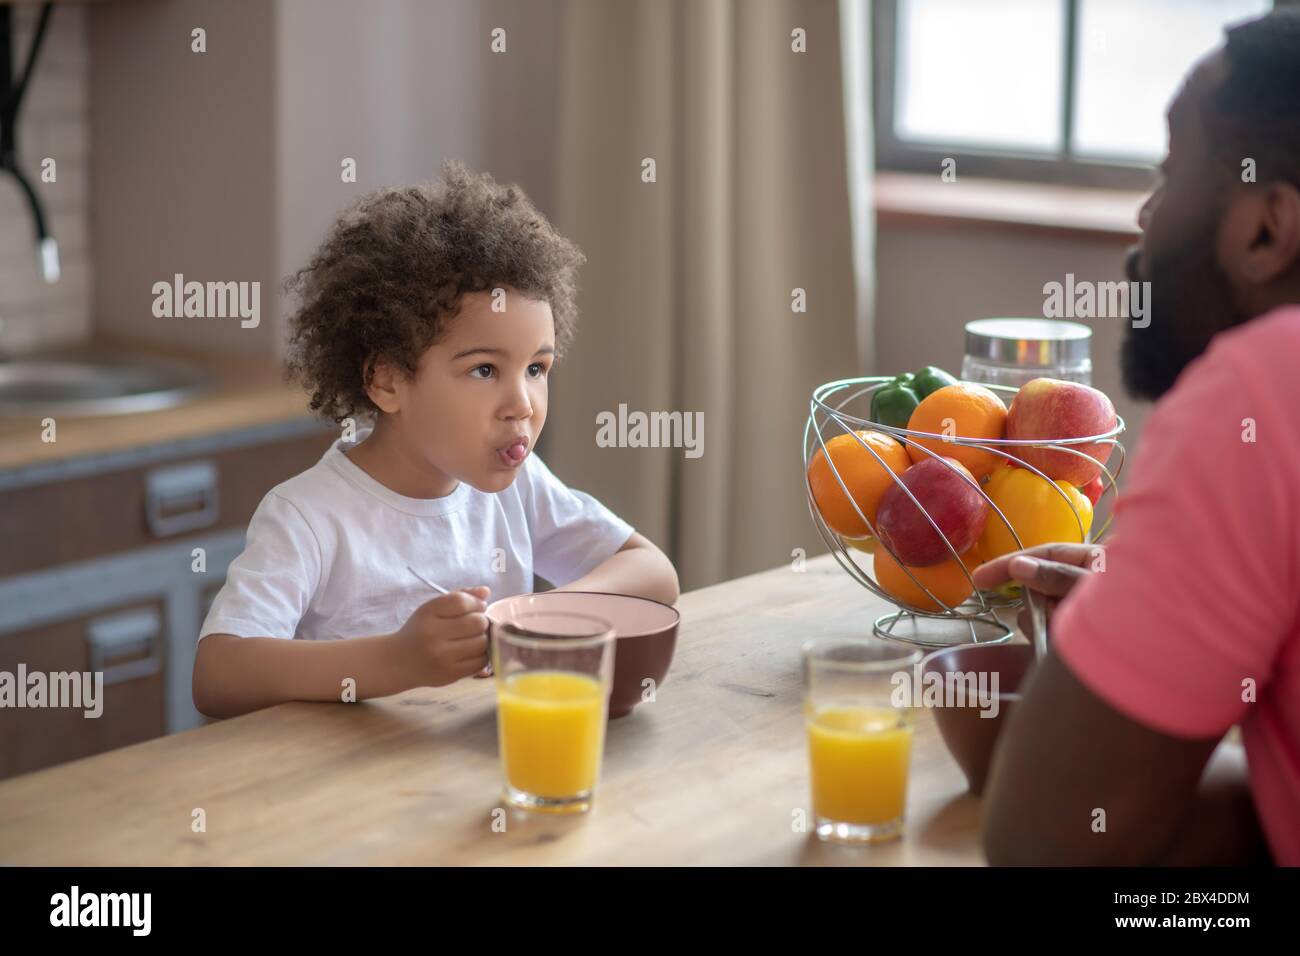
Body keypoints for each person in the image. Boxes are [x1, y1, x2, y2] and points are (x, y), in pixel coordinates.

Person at [976, 9, 1300, 865]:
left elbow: (1041, 849)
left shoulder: (1262, 391)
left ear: (1267, 227)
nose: (1144, 222)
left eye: (1168, 176)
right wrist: (1167, 621)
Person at [193, 162, 678, 720]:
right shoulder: (307, 518)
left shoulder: (517, 489)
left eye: (538, 369)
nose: (523, 402)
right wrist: (397, 660)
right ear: (388, 381)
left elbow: (654, 574)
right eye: (484, 370)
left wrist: (531, 618)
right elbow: (218, 674)